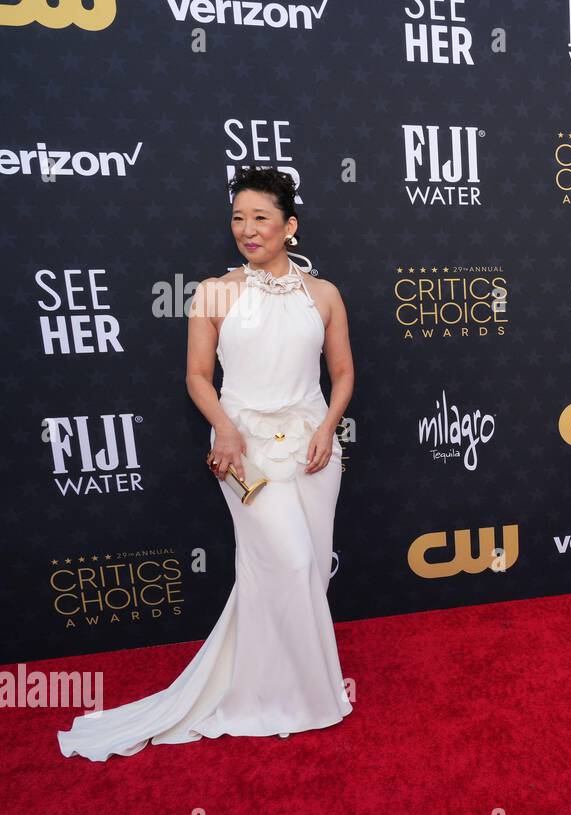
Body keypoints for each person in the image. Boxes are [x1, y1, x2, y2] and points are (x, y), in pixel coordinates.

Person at [58, 166, 356, 760]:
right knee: (287, 559)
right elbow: (197, 376)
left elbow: (343, 373)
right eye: (239, 217)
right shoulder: (215, 291)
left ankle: (287, 686)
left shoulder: (323, 295)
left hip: (313, 449)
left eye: (261, 217)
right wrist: (223, 427)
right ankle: (287, 698)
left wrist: (327, 428)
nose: (248, 229)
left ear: (289, 226)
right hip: (243, 451)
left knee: (309, 569)